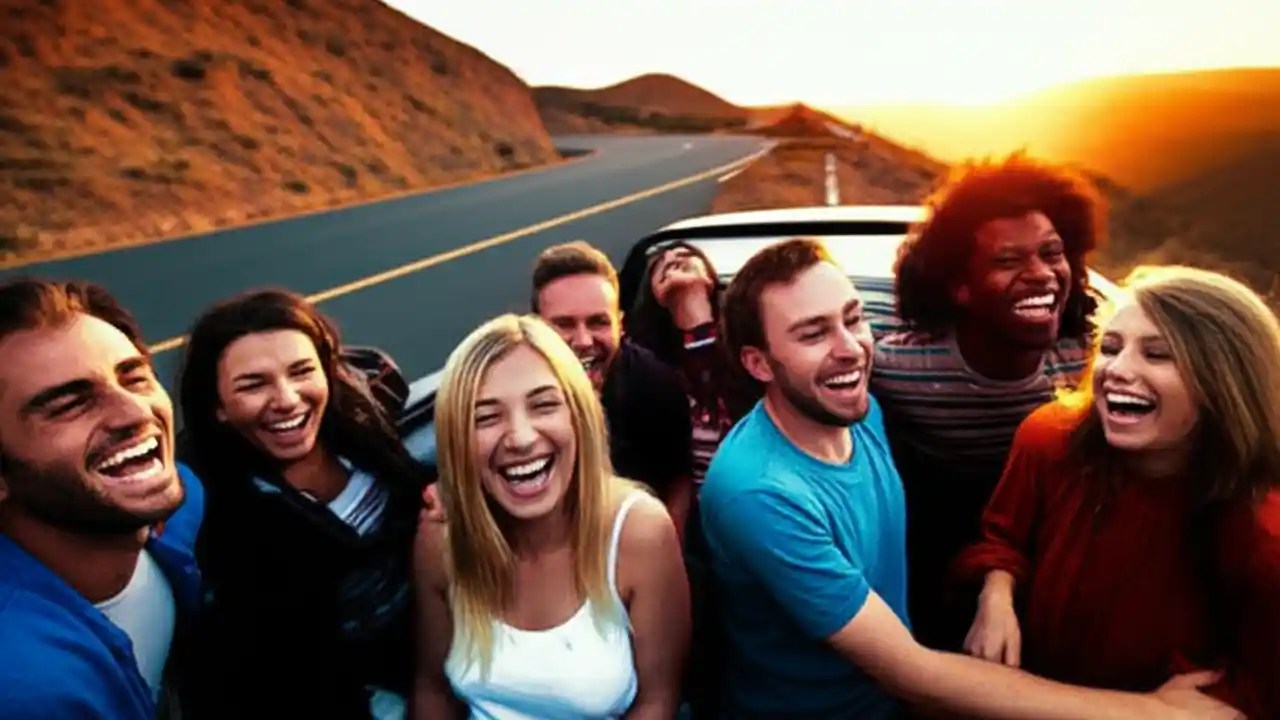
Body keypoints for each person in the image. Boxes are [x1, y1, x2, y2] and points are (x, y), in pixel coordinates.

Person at [698, 237, 1242, 720]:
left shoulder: (854, 406)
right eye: (813, 334)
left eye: (854, 318)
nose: (851, 347)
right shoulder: (760, 492)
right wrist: (1155, 712)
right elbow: (910, 671)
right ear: (760, 364)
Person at [954, 265, 1280, 719]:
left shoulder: (1266, 536)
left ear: (1225, 382)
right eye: (1110, 347)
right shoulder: (1049, 438)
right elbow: (1002, 538)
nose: (1118, 370)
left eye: (1158, 354)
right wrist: (996, 593)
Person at [871, 154, 1104, 649]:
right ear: (959, 288)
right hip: (932, 554)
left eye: (1052, 252)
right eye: (1008, 260)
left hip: (1049, 546)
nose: (1041, 274)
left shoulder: (1095, 359)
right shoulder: (898, 368)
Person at [411, 313, 690, 718]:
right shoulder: (441, 538)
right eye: (486, 417)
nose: (521, 438)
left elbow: (656, 702)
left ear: (580, 417)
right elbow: (432, 690)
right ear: (456, 441)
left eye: (544, 405)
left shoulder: (638, 532)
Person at [176, 289, 431, 718]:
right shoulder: (212, 522)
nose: (288, 399)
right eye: (253, 384)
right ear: (217, 406)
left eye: (301, 372)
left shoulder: (367, 430)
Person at [0, 277, 204, 719]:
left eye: (135, 377)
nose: (136, 411)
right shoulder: (29, 689)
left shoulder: (177, 508)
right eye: (69, 404)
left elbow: (188, 486)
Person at [530, 241, 695, 533]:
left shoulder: (653, 384)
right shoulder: (508, 392)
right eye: (564, 324)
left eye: (598, 322)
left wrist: (668, 552)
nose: (583, 340)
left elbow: (678, 481)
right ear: (534, 328)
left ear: (621, 326)